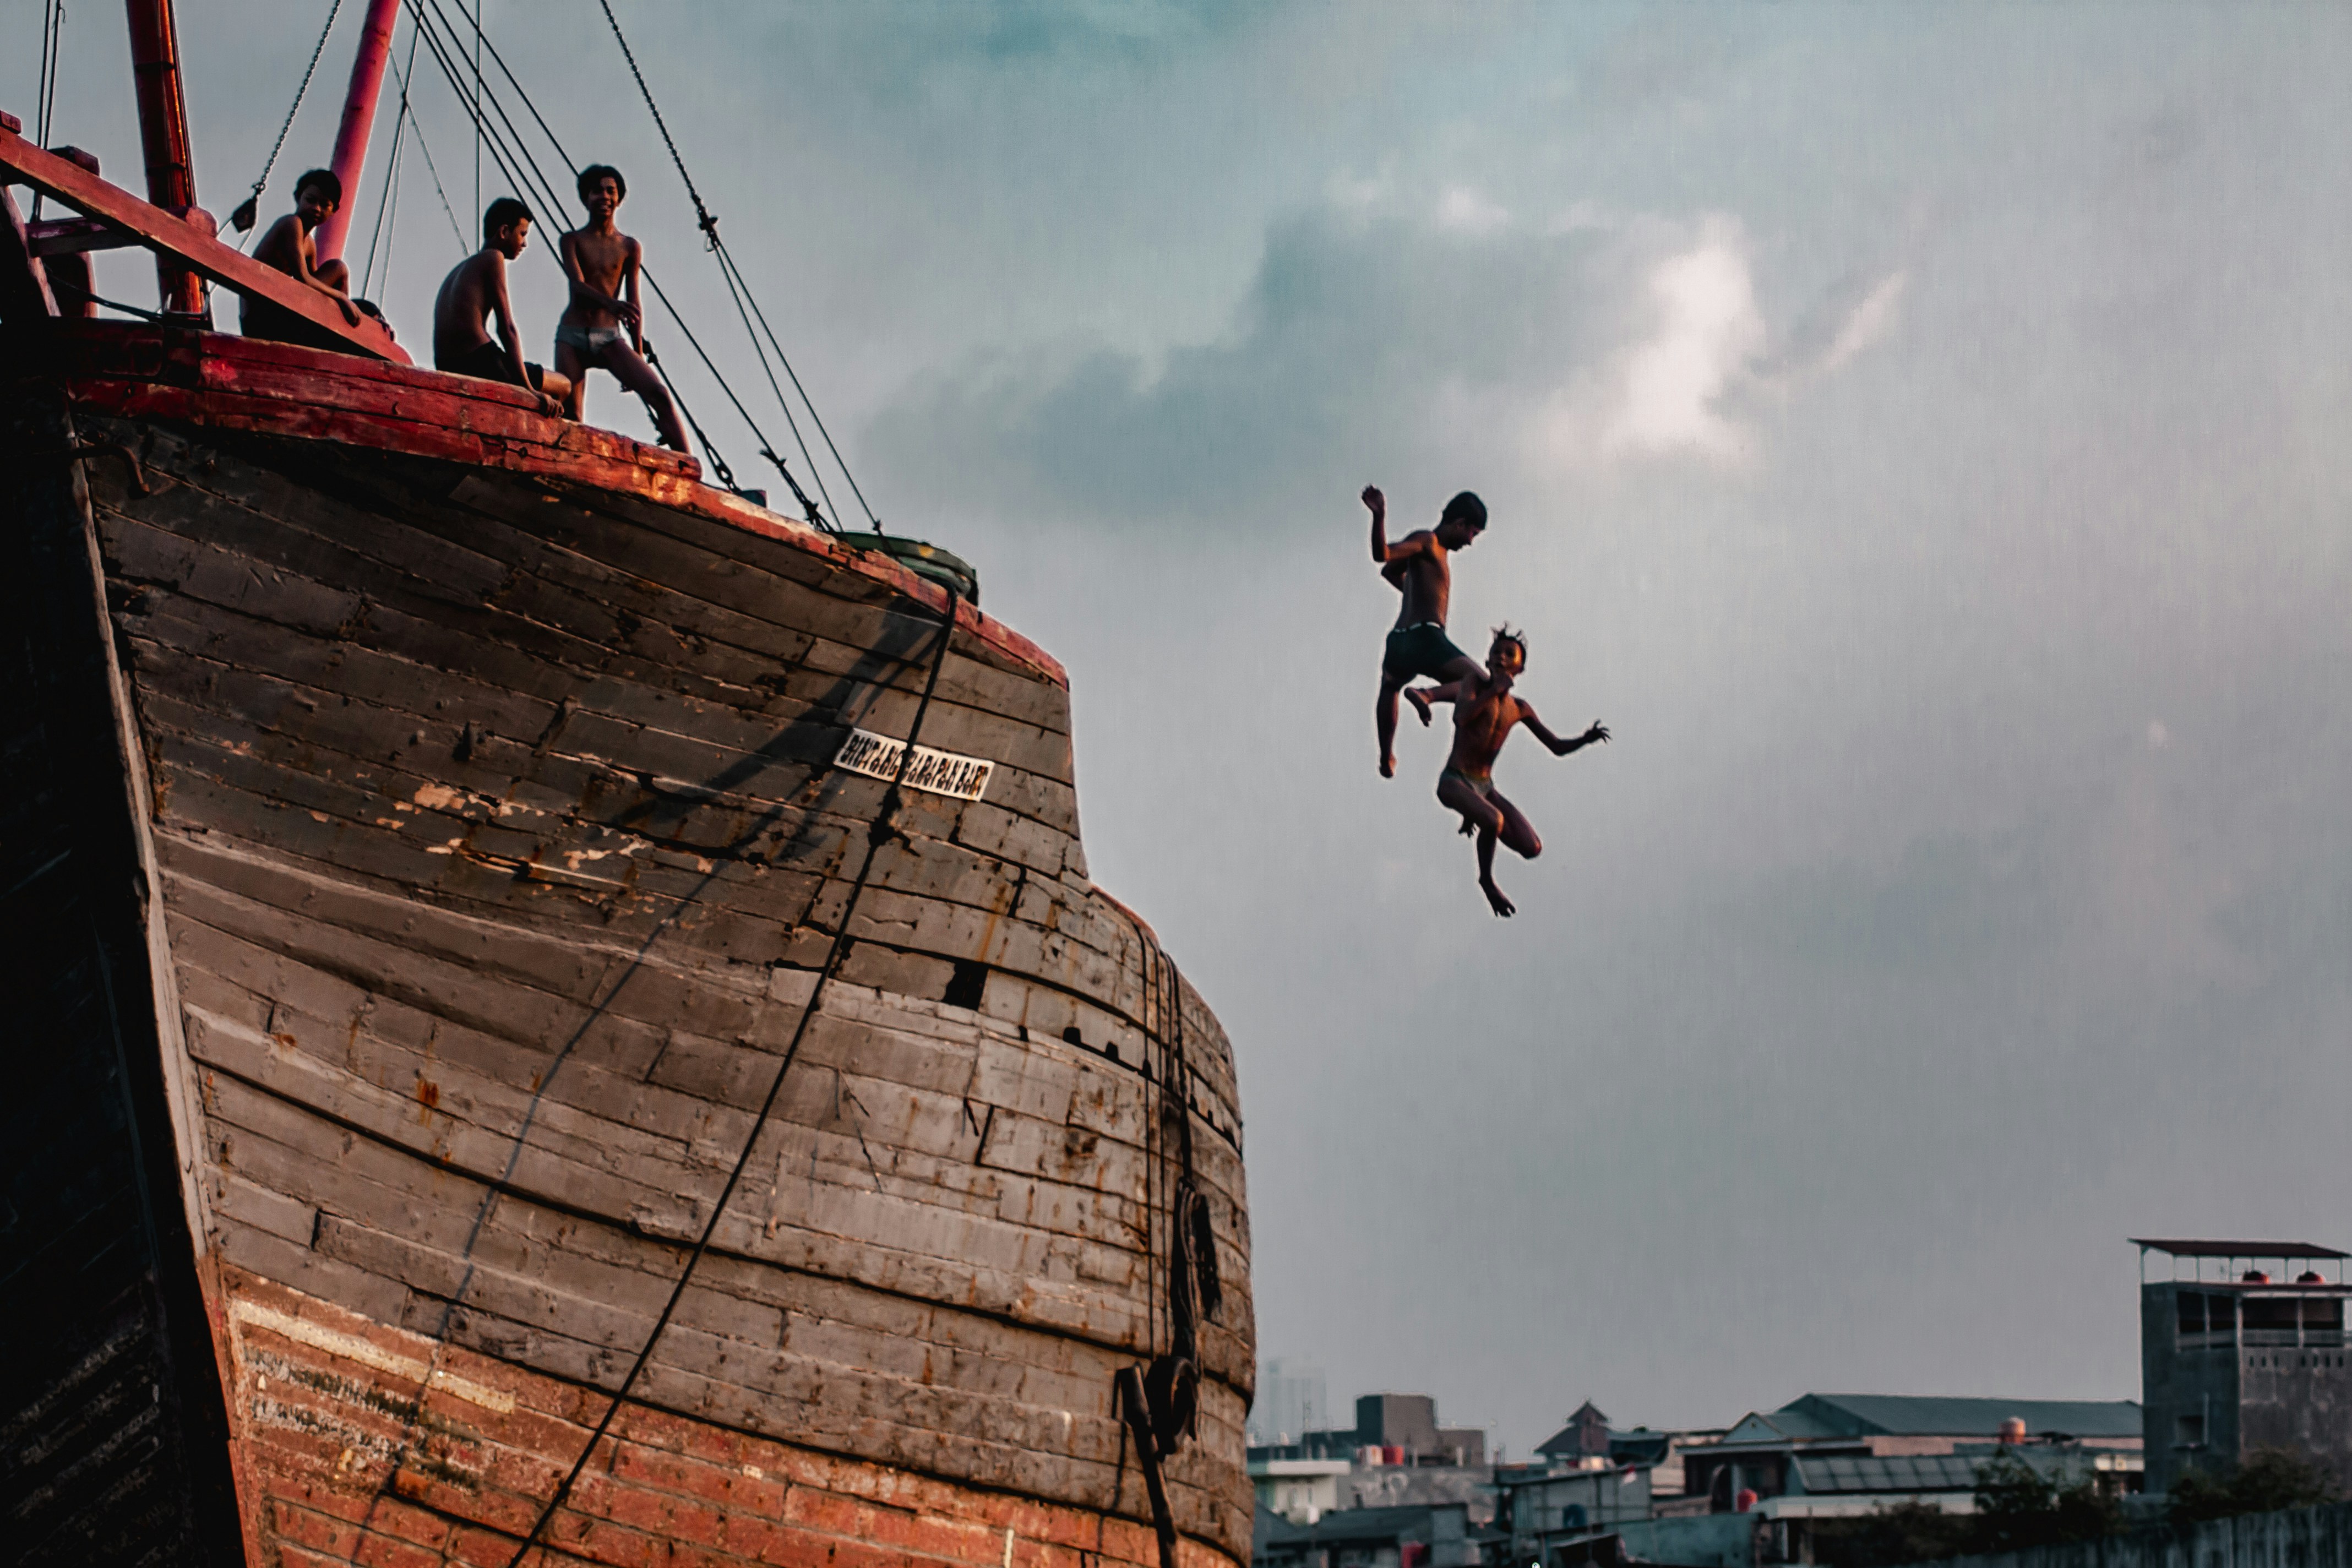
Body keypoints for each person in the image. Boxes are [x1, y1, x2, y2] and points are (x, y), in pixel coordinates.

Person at [1407, 627, 1609, 918]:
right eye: (1495, 653)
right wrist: (1493, 691)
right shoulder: (1472, 684)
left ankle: (1476, 814)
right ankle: (1487, 881)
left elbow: (1555, 746)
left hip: (1485, 787)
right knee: (1494, 820)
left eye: (1508, 654)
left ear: (1520, 668)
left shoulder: (1520, 708)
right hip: (1454, 780)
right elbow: (1462, 717)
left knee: (1532, 847)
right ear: (1487, 661)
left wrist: (1584, 739)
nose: (1501, 658)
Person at [554, 164, 688, 450]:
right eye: (596, 191)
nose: (604, 196)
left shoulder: (629, 247)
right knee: (572, 416)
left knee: (659, 395)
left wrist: (637, 351)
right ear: (586, 198)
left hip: (608, 337)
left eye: (610, 191)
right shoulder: (572, 240)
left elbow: (634, 304)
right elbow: (577, 285)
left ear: (619, 198)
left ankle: (687, 465)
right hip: (572, 335)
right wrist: (611, 304)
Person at [1366, 484, 1489, 777]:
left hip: (1400, 641)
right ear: (1459, 524)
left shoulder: (1431, 550)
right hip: (1427, 638)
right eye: (1471, 533)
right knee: (1484, 685)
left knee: (1389, 687)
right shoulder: (1429, 542)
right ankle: (1427, 695)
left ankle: (1386, 757)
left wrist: (1415, 595)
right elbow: (1382, 555)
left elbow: (1390, 572)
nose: (1470, 542)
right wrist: (1380, 516)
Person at [432, 197, 570, 416]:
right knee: (563, 386)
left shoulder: (459, 271)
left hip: (447, 363)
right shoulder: (493, 258)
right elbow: (507, 329)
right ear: (504, 231)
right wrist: (528, 388)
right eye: (523, 234)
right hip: (479, 360)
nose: (525, 243)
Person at [243, 168, 362, 342]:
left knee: (338, 268)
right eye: (311, 200)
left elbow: (315, 284)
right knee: (338, 270)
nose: (316, 208)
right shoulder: (292, 224)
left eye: (324, 205)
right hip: (259, 316)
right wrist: (342, 298)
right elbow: (304, 278)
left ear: (333, 211)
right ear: (298, 198)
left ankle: (340, 333)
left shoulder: (309, 245)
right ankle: (341, 336)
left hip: (278, 309)